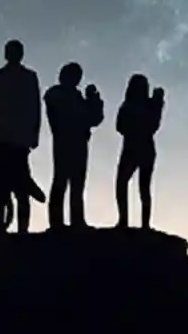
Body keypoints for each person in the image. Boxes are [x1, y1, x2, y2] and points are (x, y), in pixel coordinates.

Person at [0, 39, 41, 233]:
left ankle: (23, 228)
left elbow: (35, 107)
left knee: (22, 183)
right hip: (1, 137)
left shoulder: (30, 77)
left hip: (20, 138)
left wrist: (34, 133)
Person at [43, 62, 103, 229]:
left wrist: (94, 100)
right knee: (61, 180)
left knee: (77, 183)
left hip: (78, 142)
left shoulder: (77, 96)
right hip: (64, 141)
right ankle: (56, 222)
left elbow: (94, 119)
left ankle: (77, 220)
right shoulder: (55, 94)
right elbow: (64, 117)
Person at [115, 74, 164, 230]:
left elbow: (153, 125)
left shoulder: (134, 105)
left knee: (137, 185)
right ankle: (133, 222)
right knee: (137, 185)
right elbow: (120, 126)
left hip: (137, 147)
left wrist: (158, 103)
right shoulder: (133, 105)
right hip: (138, 147)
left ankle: (137, 223)